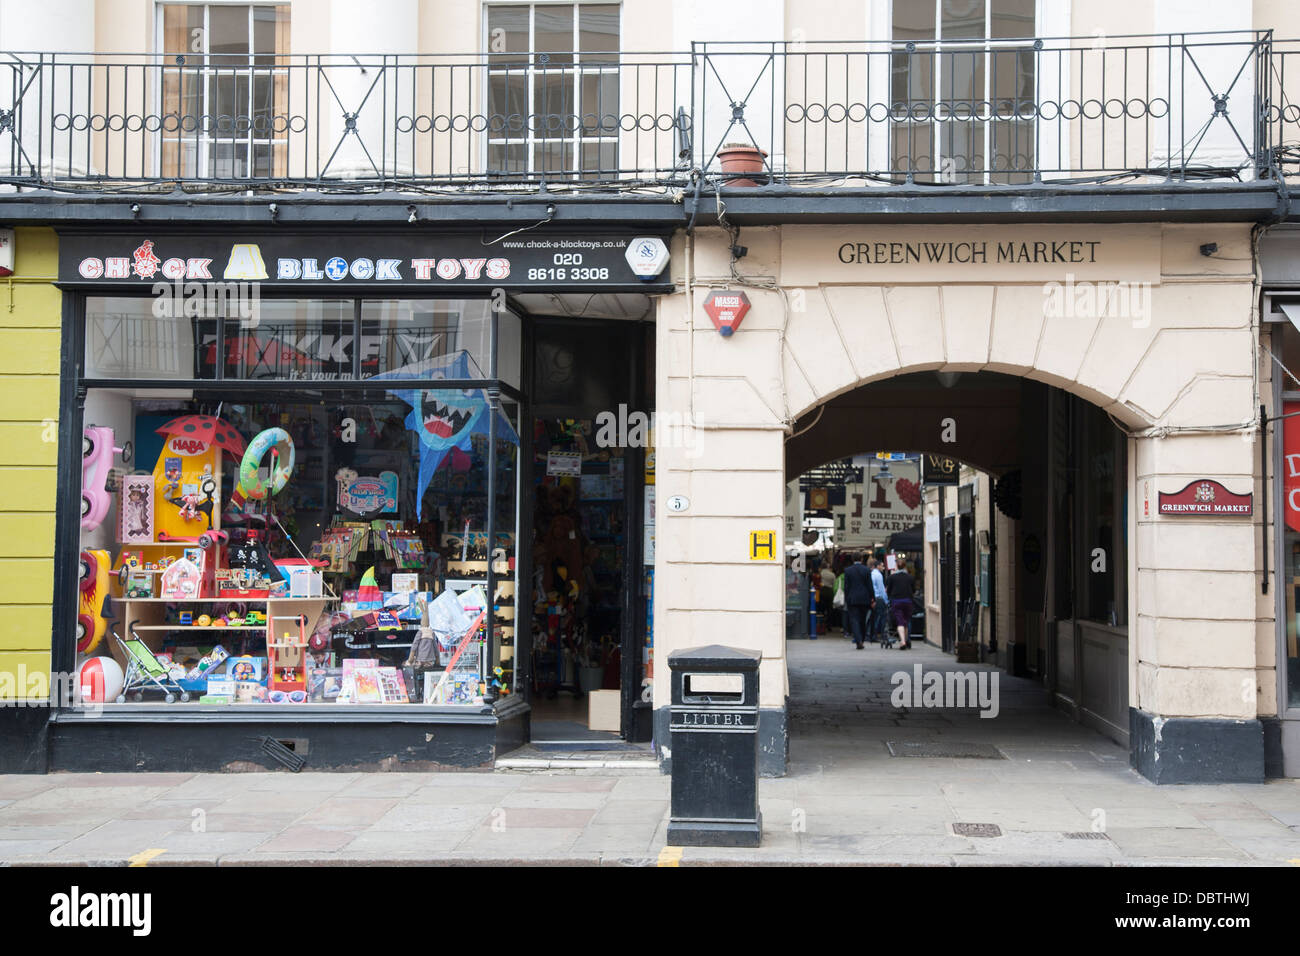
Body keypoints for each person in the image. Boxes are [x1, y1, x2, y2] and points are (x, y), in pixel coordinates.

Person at [842, 552, 875, 649]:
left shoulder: (848, 570)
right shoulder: (866, 570)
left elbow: (846, 587)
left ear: (852, 559)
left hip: (852, 599)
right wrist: (872, 598)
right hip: (864, 599)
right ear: (861, 559)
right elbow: (870, 586)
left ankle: (858, 640)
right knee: (862, 620)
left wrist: (846, 599)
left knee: (854, 620)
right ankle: (862, 639)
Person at [886, 554, 916, 650]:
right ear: (905, 566)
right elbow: (913, 590)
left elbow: (888, 590)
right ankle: (907, 640)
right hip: (908, 601)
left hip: (896, 601)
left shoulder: (892, 577)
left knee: (900, 622)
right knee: (906, 622)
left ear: (896, 566)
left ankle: (902, 641)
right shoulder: (910, 578)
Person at [868, 556, 890, 645]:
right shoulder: (878, 575)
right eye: (882, 566)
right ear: (877, 566)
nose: (883, 567)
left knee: (874, 618)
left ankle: (871, 634)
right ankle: (876, 635)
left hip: (873, 598)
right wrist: (886, 600)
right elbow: (881, 589)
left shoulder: (872, 574)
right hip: (879, 598)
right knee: (880, 617)